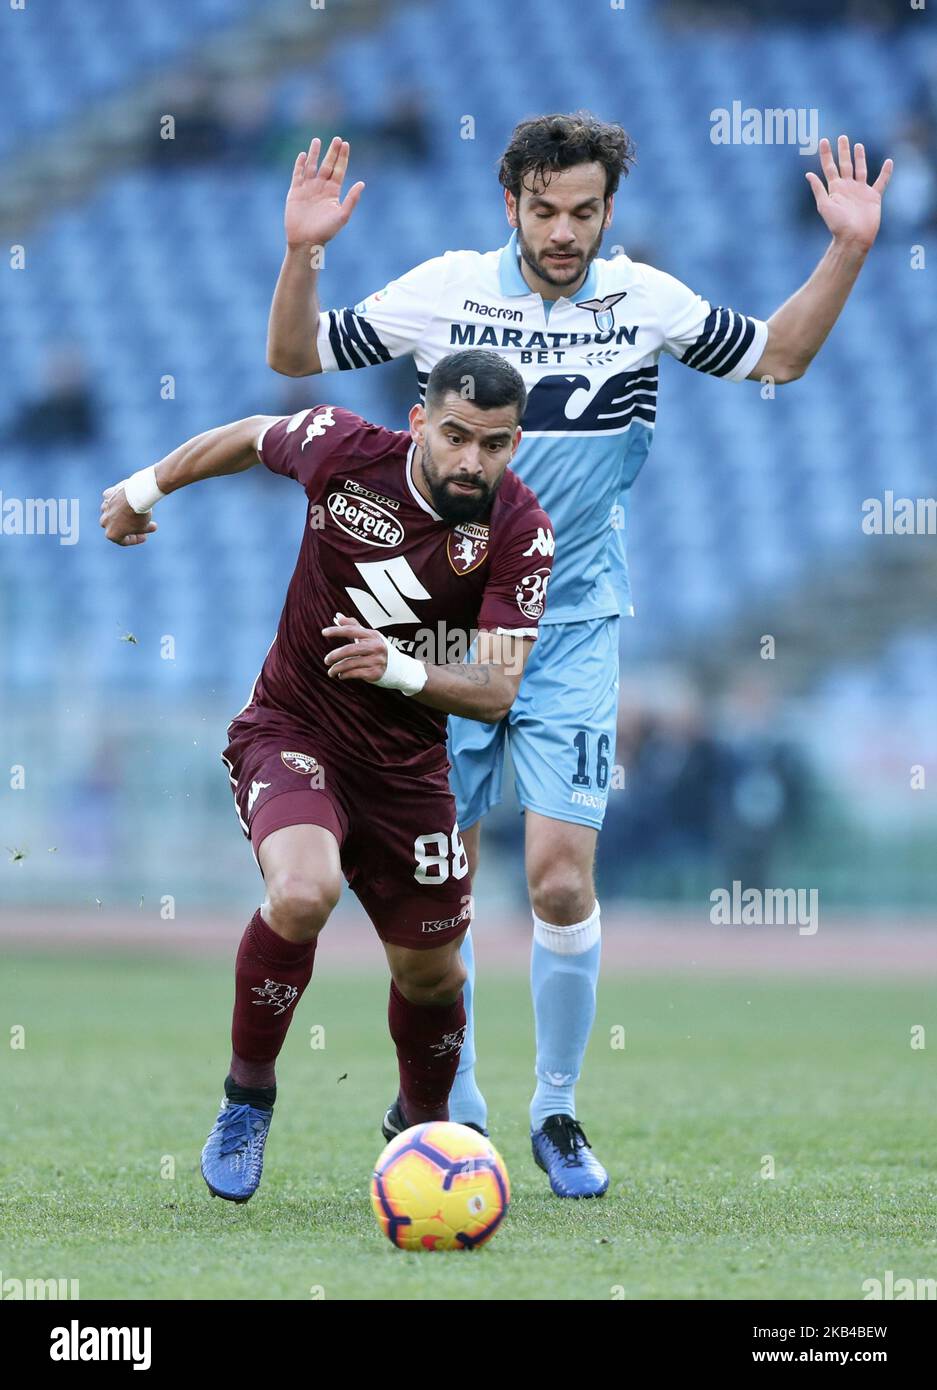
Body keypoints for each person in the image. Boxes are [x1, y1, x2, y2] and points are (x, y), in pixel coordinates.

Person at [265, 112, 893, 1197]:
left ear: (609, 210)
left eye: (584, 211)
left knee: (559, 880)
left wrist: (844, 249)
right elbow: (291, 353)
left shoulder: (644, 299)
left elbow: (778, 356)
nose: (564, 231)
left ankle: (553, 1108)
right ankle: (447, 1102)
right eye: (544, 210)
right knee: (440, 884)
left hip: (572, 623)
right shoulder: (448, 288)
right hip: (444, 624)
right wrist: (303, 249)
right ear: (510, 204)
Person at [99, 350, 553, 1204]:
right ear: (420, 422)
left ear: (513, 444)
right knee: (303, 892)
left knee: (433, 975)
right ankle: (247, 1098)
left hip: (408, 768)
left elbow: (495, 690)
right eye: (455, 436)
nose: (470, 461)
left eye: (492, 445)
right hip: (291, 730)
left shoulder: (519, 532)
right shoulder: (340, 447)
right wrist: (142, 489)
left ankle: (421, 1131)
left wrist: (397, 669)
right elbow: (245, 437)